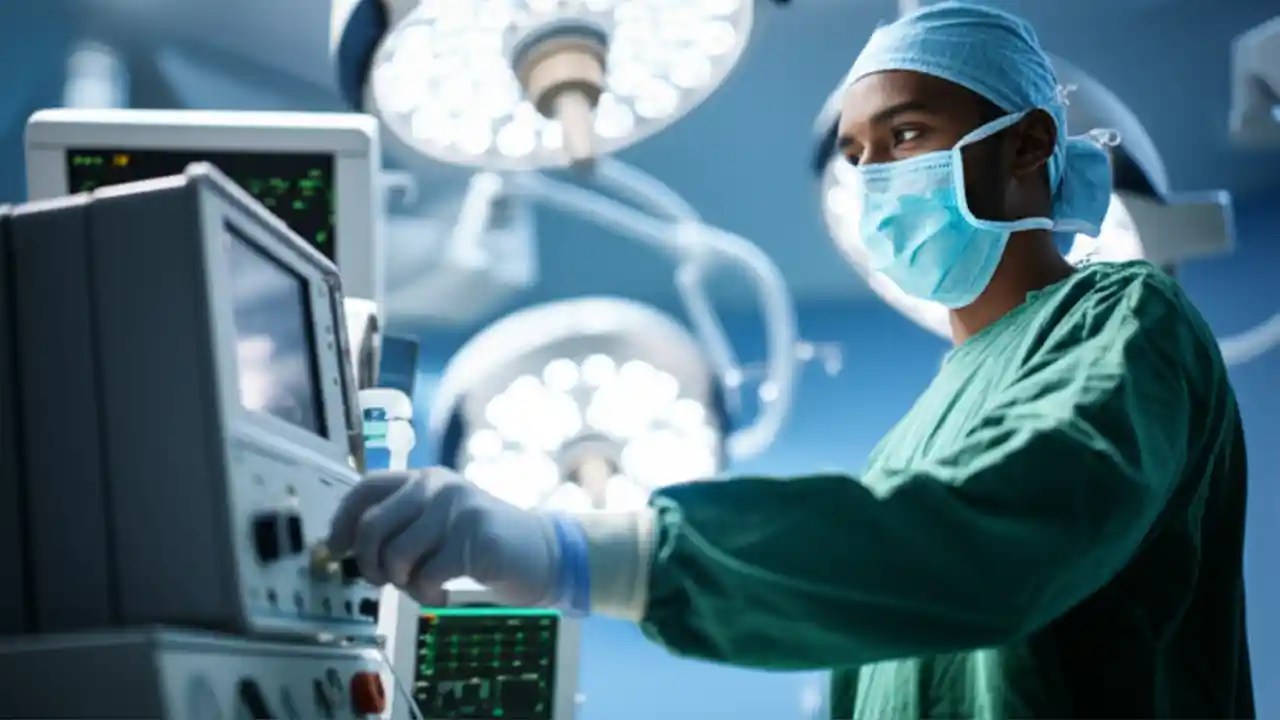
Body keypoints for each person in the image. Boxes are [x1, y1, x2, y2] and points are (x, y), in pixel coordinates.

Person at [327, 3, 1255, 717]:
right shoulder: (918, 436)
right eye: (856, 156)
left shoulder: (1127, 319)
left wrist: (572, 551)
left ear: (1028, 146)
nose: (874, 182)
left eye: (905, 137)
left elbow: (982, 541)